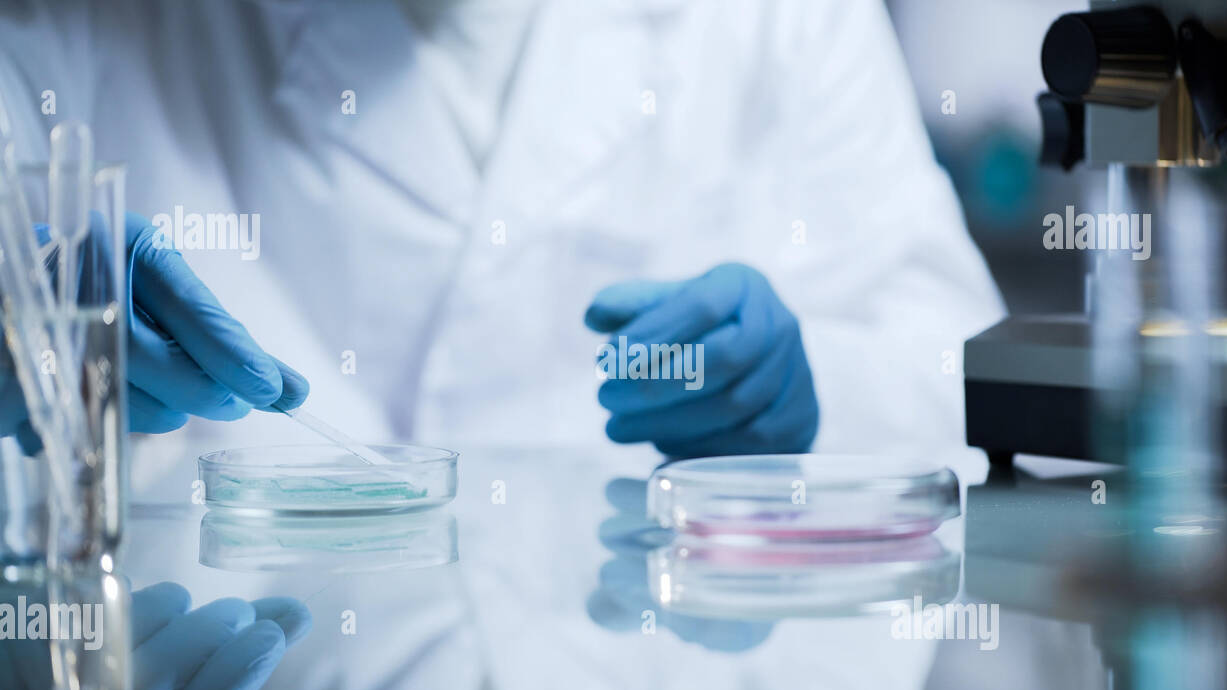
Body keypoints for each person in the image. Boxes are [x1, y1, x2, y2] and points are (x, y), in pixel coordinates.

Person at [0, 0, 1003, 466]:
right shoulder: (93, 18)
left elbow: (965, 377)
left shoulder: (780, 20)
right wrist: (17, 310)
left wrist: (811, 387)